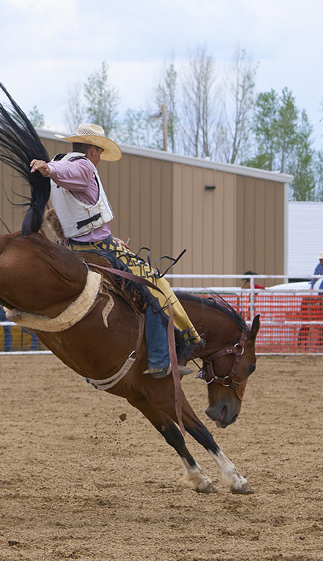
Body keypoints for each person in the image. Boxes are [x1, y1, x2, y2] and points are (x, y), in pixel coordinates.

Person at [29, 123, 201, 378]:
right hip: (101, 248)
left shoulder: (61, 165)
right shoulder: (84, 166)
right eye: (99, 152)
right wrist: (48, 168)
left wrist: (49, 167)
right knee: (155, 287)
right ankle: (161, 357)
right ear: (94, 150)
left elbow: (63, 175)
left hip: (73, 247)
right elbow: (69, 170)